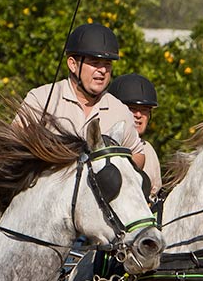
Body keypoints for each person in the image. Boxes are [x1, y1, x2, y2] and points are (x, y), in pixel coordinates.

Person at [19, 22, 145, 170]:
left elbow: (138, 154)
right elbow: (12, 144)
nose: (103, 70)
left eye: (108, 64)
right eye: (95, 63)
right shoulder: (41, 99)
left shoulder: (120, 111)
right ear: (72, 64)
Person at [108, 73, 162, 199]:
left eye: (144, 109)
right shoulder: (102, 147)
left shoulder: (148, 150)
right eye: (132, 108)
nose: (138, 115)